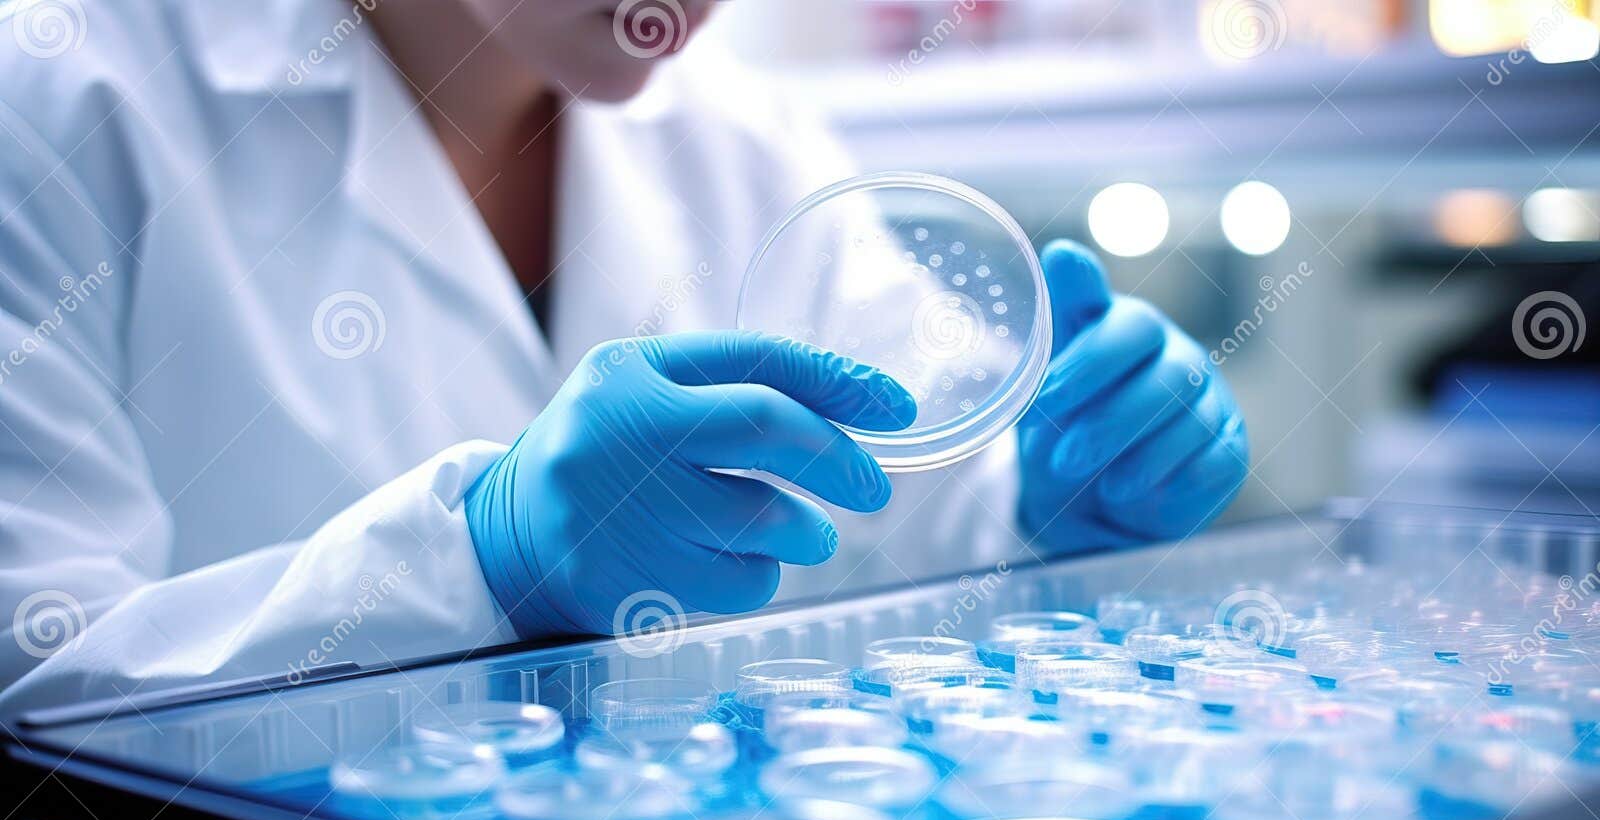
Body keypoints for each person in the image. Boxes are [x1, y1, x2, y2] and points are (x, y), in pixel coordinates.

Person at [0, 0, 1247, 712]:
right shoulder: (59, 93)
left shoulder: (741, 136)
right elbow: (36, 689)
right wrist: (473, 564)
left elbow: (913, 489)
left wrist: (1049, 497)